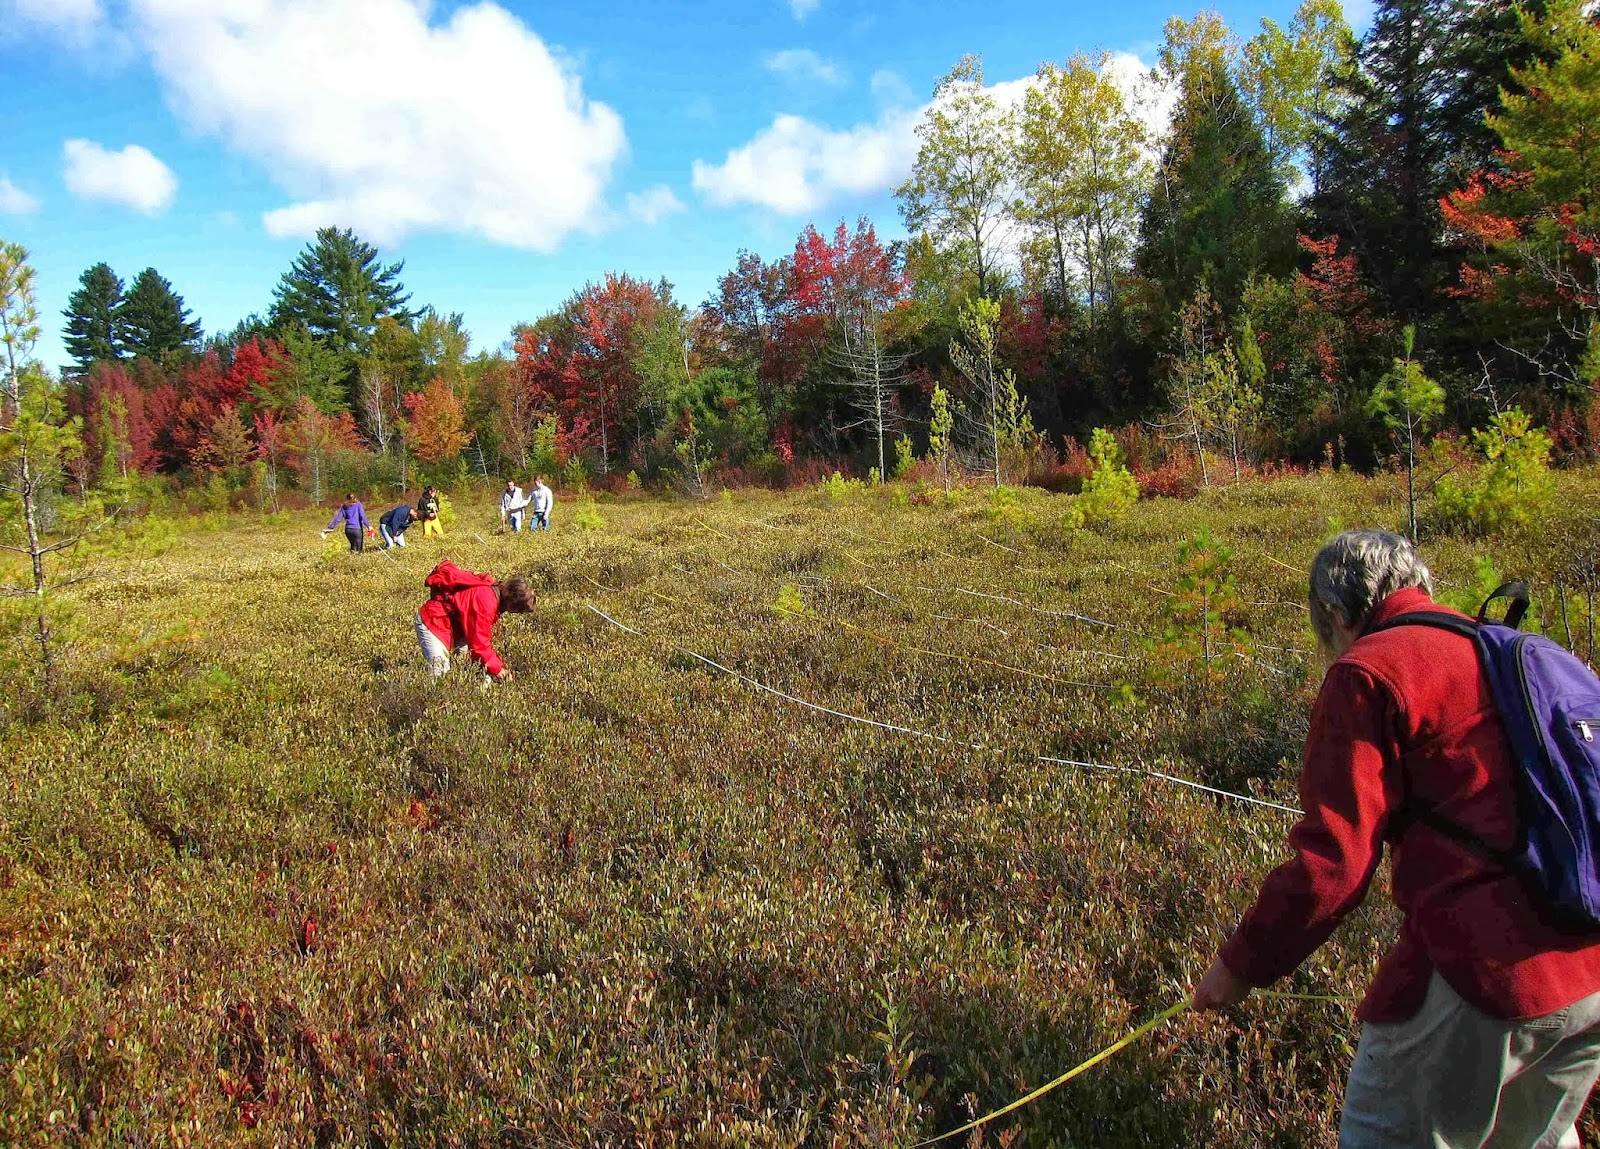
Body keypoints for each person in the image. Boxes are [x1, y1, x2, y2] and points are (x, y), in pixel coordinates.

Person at [1192, 529, 1600, 1146]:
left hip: (1489, 978)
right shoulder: (1509, 649)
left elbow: (1331, 865)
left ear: (1333, 613)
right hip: (1590, 971)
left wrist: (1239, 966)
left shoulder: (1369, 672)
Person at [414, 561, 535, 681]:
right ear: (513, 603)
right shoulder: (485, 602)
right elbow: (479, 644)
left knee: (472, 670)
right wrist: (498, 669)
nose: (517, 613)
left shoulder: (492, 591)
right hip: (434, 622)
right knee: (440, 673)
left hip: (453, 627)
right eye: (519, 610)